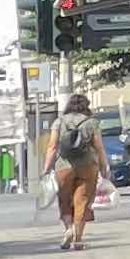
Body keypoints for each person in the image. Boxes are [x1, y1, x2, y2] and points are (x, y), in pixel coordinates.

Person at [48, 90, 105, 250]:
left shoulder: (59, 122)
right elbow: (99, 147)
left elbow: (52, 147)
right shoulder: (92, 123)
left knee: (65, 200)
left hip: (63, 166)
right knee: (82, 201)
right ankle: (78, 238)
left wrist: (46, 169)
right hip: (88, 165)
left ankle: (68, 230)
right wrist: (104, 167)